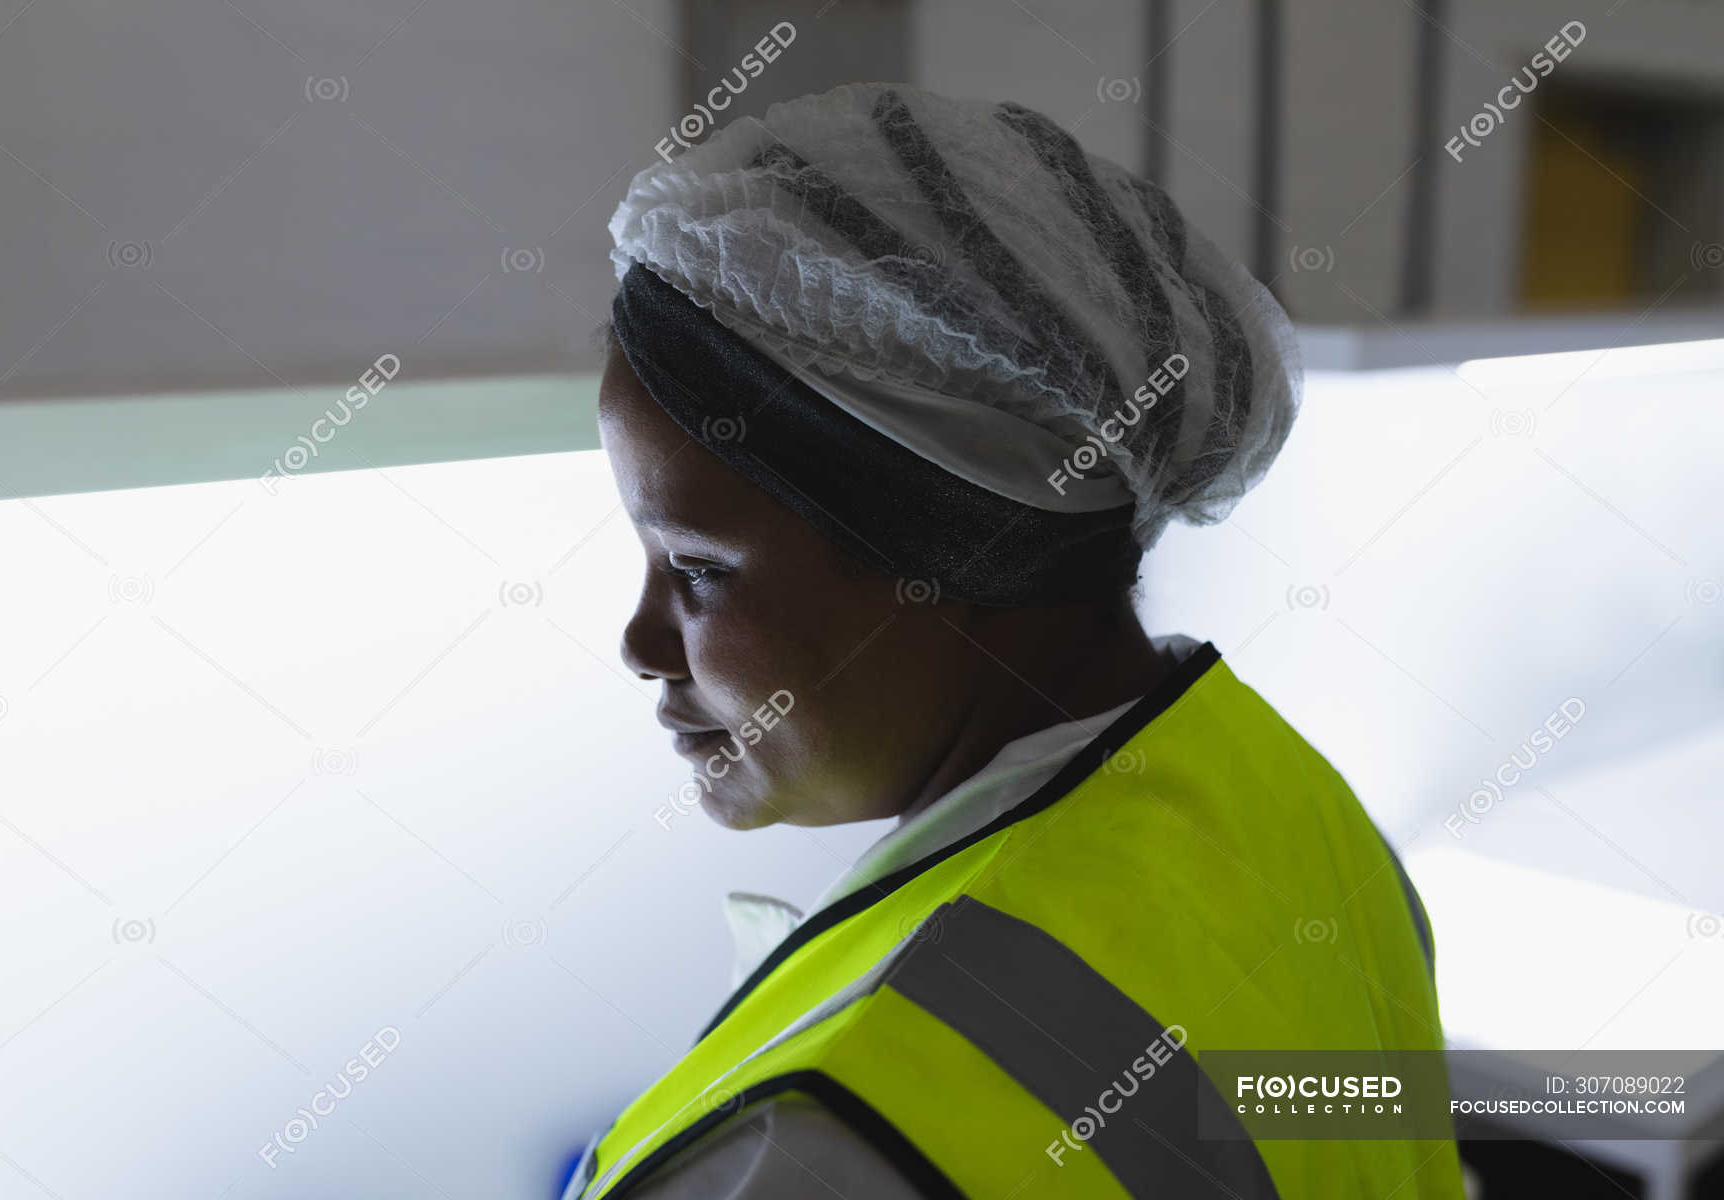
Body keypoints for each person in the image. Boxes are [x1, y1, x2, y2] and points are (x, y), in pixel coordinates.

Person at [563, 82, 1461, 1199]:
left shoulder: (812, 1149)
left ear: (954, 552)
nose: (641, 642)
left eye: (697, 569)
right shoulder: (1299, 813)